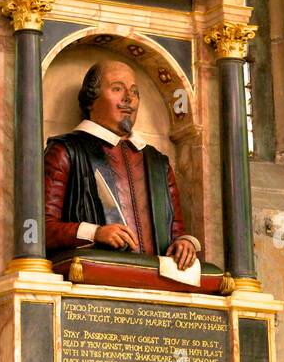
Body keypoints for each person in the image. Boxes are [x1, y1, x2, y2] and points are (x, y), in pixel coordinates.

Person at [44, 59, 199, 268]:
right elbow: (41, 229)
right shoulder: (66, 151)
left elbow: (175, 232)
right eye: (117, 89)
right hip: (95, 282)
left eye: (134, 92)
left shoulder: (157, 163)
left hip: (156, 282)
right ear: (91, 99)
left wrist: (184, 244)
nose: (129, 99)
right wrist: (96, 233)